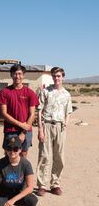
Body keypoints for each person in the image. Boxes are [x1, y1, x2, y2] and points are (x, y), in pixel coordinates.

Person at [36, 67, 71, 196]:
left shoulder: (66, 94)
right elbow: (39, 110)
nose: (57, 78)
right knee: (44, 155)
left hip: (60, 127)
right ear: (52, 77)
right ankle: (42, 185)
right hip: (46, 125)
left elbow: (68, 111)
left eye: (59, 76)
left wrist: (65, 124)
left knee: (59, 156)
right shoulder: (46, 91)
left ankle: (55, 184)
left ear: (63, 77)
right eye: (55, 76)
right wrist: (40, 128)